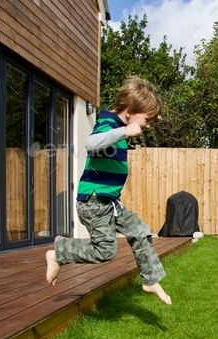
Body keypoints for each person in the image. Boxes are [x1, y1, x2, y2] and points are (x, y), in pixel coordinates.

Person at [45, 76, 171, 305]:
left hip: (109, 202)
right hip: (93, 202)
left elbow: (138, 121)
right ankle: (59, 252)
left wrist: (149, 117)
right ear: (131, 110)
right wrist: (125, 131)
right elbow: (91, 143)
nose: (147, 126)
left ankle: (150, 279)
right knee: (105, 250)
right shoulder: (109, 124)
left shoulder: (121, 125)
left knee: (141, 231)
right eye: (147, 121)